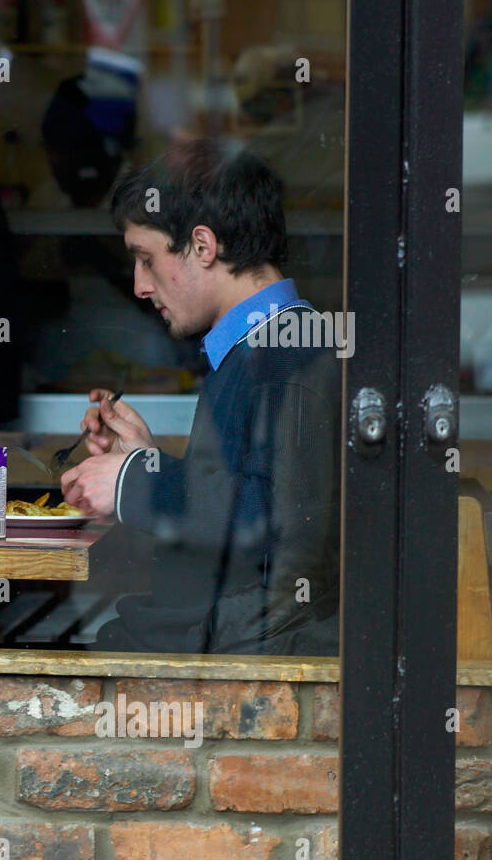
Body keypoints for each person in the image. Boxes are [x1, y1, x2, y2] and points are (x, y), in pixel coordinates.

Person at [61, 139, 341, 655]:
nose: (140, 286)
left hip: (246, 666)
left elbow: (282, 523)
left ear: (203, 246)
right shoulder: (270, 345)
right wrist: (146, 462)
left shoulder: (287, 358)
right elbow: (243, 496)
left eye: (146, 258)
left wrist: (136, 485)